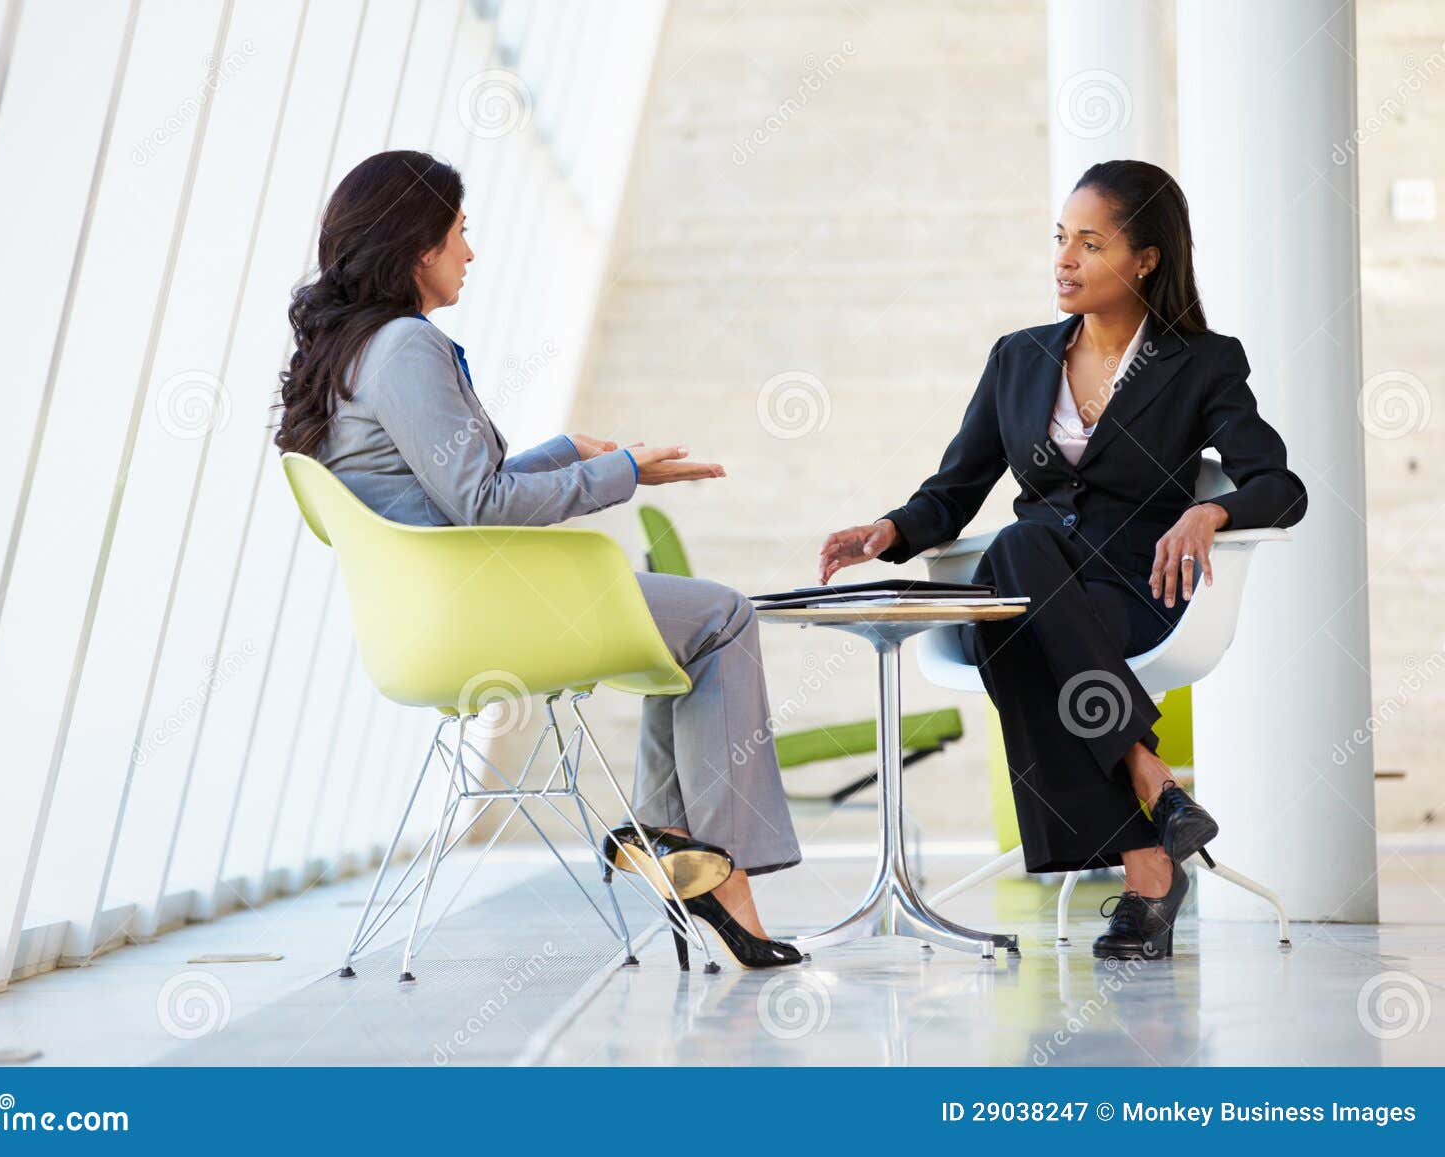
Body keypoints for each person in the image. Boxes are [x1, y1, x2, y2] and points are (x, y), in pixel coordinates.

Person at [275, 150, 802, 970]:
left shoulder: (350, 355)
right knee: (723, 617)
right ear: (419, 245)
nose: (471, 253)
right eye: (460, 232)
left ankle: (669, 840)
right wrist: (619, 474)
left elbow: (453, 494)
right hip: (486, 610)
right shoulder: (407, 345)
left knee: (691, 629)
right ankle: (719, 877)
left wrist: (577, 456)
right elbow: (481, 505)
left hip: (440, 616)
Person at [818, 160, 1308, 960]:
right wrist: (887, 530)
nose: (1064, 260)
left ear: (1146, 258)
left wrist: (1210, 507)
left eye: (1089, 242)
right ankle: (1151, 795)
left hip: (1131, 594)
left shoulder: (1202, 362)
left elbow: (1280, 485)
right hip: (1028, 596)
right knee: (1020, 565)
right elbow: (953, 490)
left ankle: (1149, 865)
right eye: (1059, 240)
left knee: (1017, 581)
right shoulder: (1019, 358)